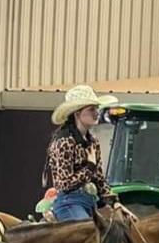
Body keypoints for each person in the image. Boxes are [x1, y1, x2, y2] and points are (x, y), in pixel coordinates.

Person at [45, 85, 121, 221]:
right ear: (77, 113)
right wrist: (89, 166)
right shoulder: (64, 142)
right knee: (89, 233)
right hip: (69, 202)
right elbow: (64, 184)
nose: (96, 112)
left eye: (96, 109)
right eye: (91, 109)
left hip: (90, 201)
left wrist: (115, 202)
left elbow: (99, 178)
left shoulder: (93, 142)